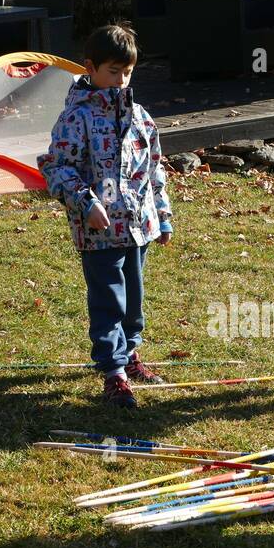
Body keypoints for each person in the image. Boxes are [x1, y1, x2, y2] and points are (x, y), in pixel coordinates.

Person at [39, 24, 172, 408]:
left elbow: (154, 170)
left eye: (127, 72)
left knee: (133, 297)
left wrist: (161, 216)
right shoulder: (75, 118)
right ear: (90, 68)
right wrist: (85, 203)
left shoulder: (141, 117)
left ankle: (130, 354)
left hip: (137, 228)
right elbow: (57, 167)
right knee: (107, 299)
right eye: (113, 72)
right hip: (98, 232)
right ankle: (113, 372)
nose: (120, 80)